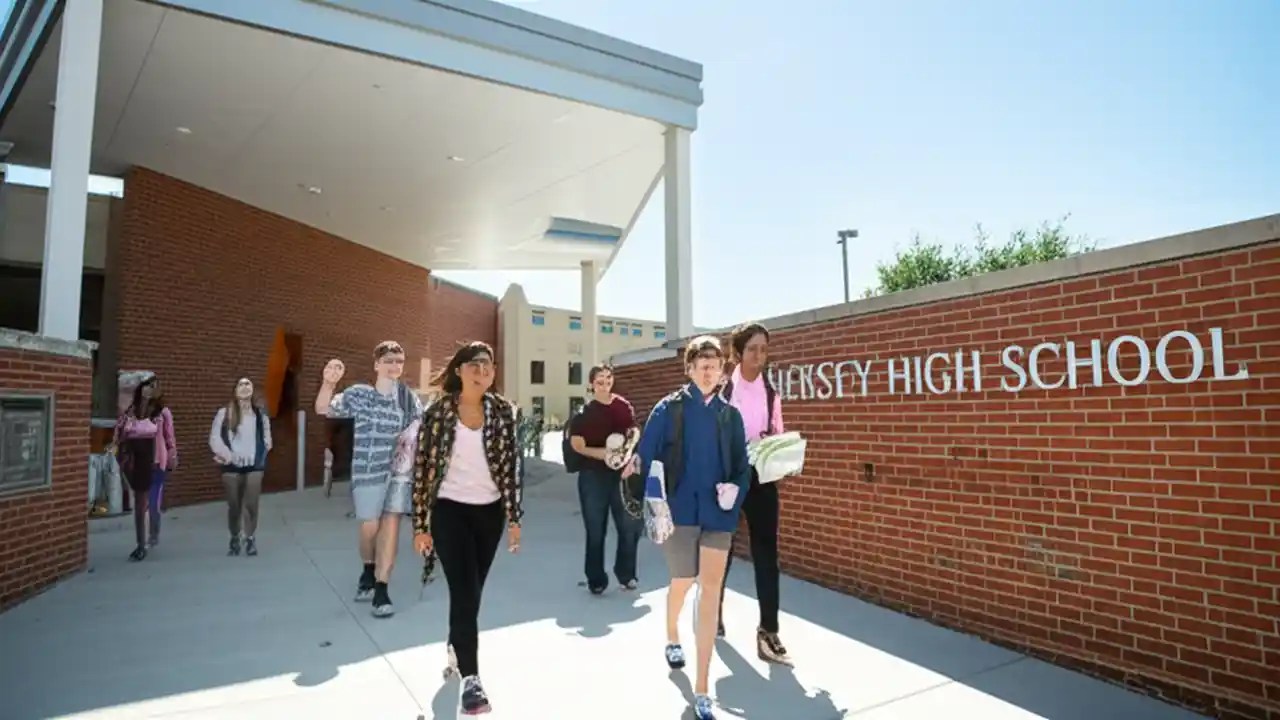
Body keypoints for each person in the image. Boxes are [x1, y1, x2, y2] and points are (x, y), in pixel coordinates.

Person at [628, 335, 750, 720]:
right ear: (690, 368)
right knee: (683, 581)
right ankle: (671, 634)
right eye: (702, 363)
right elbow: (645, 455)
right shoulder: (669, 409)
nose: (709, 370)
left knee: (710, 590)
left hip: (718, 515)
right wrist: (634, 470)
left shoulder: (731, 416)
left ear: (722, 369)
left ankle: (702, 689)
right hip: (679, 513)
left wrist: (736, 489)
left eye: (715, 364)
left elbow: (742, 466)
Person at [412, 341, 523, 715]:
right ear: (459, 371)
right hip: (449, 511)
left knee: (471, 593)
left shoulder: (504, 412)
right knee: (464, 591)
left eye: (488, 366)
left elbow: (512, 469)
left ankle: (455, 644)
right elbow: (422, 468)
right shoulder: (438, 412)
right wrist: (421, 524)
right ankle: (472, 681)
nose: (482, 371)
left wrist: (514, 518)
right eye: (474, 364)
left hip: (489, 514)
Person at [315, 341, 423, 618]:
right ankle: (368, 566)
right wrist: (328, 383)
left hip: (398, 474)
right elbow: (323, 408)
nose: (394, 366)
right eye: (389, 360)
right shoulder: (359, 394)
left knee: (391, 525)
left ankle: (381, 588)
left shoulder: (408, 399)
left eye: (399, 361)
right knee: (369, 527)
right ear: (376, 364)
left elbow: (420, 432)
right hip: (367, 471)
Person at [716, 322, 793, 664]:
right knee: (722, 550)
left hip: (762, 480)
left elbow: (777, 432)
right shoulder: (722, 391)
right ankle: (712, 610)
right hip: (728, 480)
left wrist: (784, 455)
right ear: (738, 353)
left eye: (763, 349)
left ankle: (768, 631)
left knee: (767, 555)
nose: (759, 356)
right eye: (752, 349)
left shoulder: (771, 393)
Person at [568, 364, 641, 594]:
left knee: (628, 527)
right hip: (592, 477)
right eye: (599, 379)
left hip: (621, 476)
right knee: (595, 530)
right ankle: (596, 579)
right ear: (591, 384)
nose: (605, 383)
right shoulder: (584, 412)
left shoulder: (623, 406)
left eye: (608, 378)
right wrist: (606, 455)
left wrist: (627, 453)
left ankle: (626, 575)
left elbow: (633, 432)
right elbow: (577, 445)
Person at [112, 374, 178, 561]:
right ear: (141, 388)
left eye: (154, 387)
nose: (150, 390)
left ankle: (153, 533)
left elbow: (169, 437)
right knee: (140, 505)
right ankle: (140, 544)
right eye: (147, 386)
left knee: (153, 503)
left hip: (156, 461)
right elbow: (119, 434)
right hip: (136, 463)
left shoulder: (163, 412)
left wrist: (172, 456)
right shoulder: (130, 411)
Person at [210, 377, 273, 557]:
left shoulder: (260, 415)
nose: (245, 387)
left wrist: (259, 455)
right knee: (234, 505)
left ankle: (250, 538)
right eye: (241, 384)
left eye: (248, 384)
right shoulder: (225, 413)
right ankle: (234, 536)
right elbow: (215, 438)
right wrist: (228, 456)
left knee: (251, 504)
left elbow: (267, 440)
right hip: (231, 465)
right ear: (235, 390)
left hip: (254, 465)